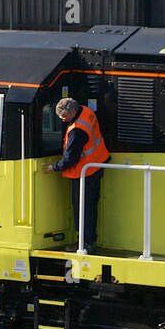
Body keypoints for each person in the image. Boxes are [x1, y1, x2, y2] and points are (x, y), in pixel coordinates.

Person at [44, 97, 110, 252]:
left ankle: (86, 243)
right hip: (96, 163)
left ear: (73, 112)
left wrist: (54, 167)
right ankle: (87, 241)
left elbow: (71, 158)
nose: (62, 120)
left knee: (83, 208)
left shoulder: (77, 130)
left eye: (64, 117)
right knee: (89, 206)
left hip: (85, 172)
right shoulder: (85, 111)